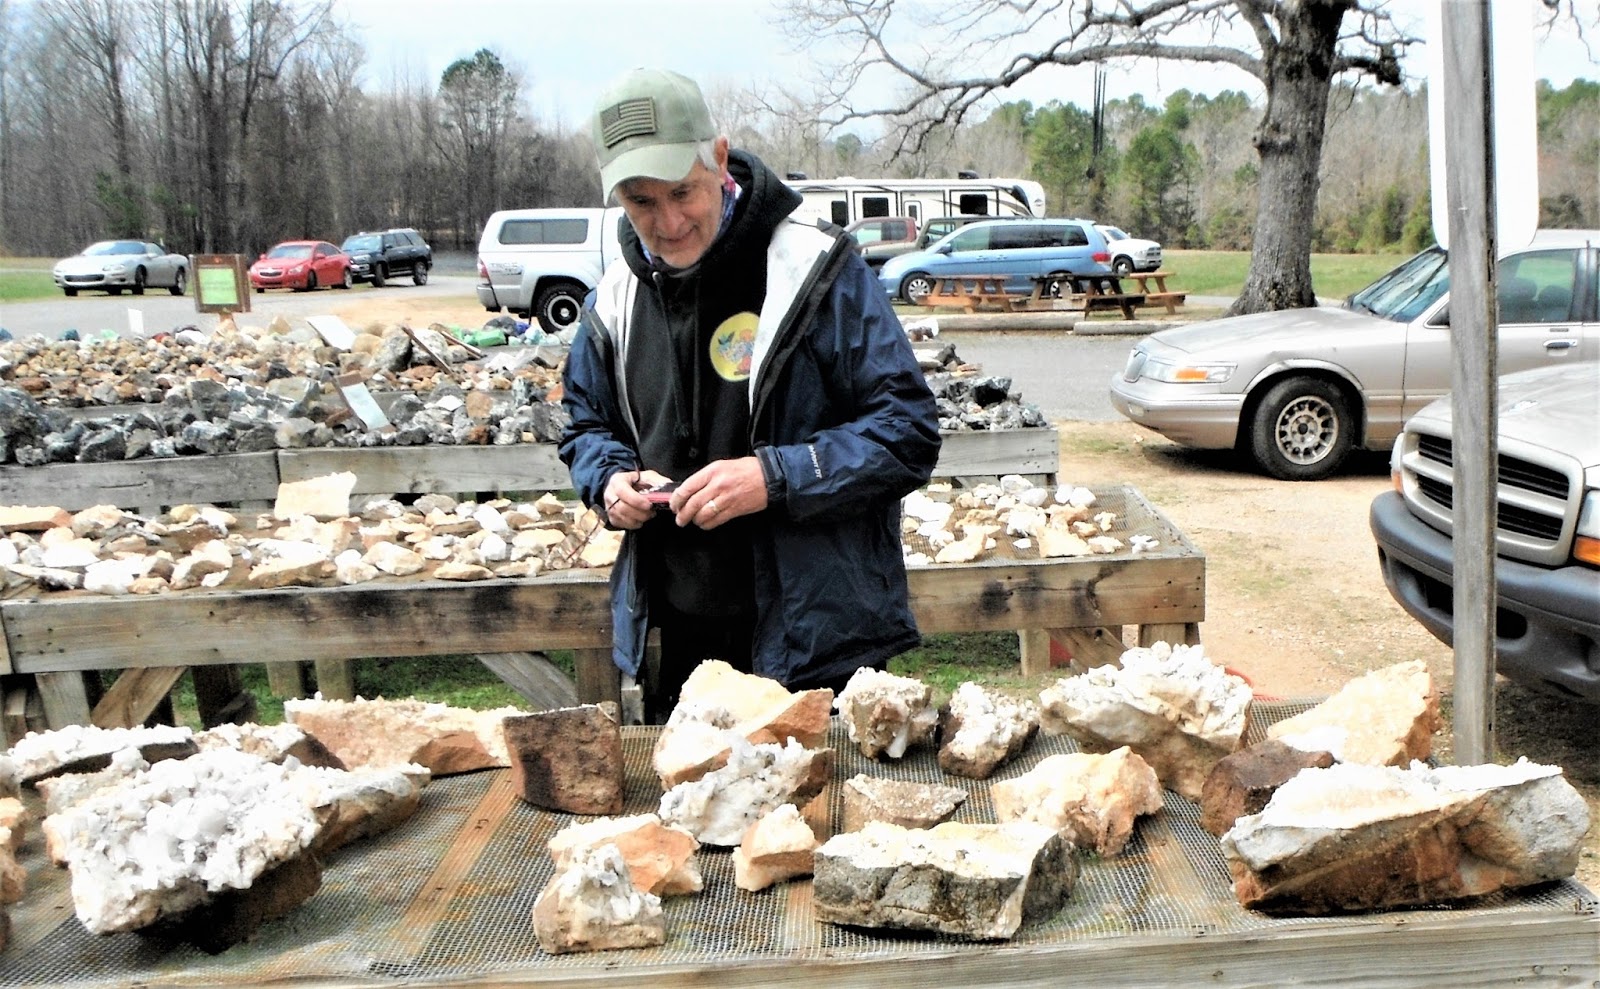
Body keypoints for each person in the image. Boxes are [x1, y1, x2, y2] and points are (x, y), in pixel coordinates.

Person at [558, 66, 942, 719]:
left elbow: (908, 432)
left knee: (825, 819)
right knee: (695, 819)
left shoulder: (816, 268)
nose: (669, 221)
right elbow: (584, 424)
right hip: (683, 640)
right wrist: (609, 480)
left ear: (719, 157)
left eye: (683, 192)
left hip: (820, 642)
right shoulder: (615, 297)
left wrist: (774, 477)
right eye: (641, 202)